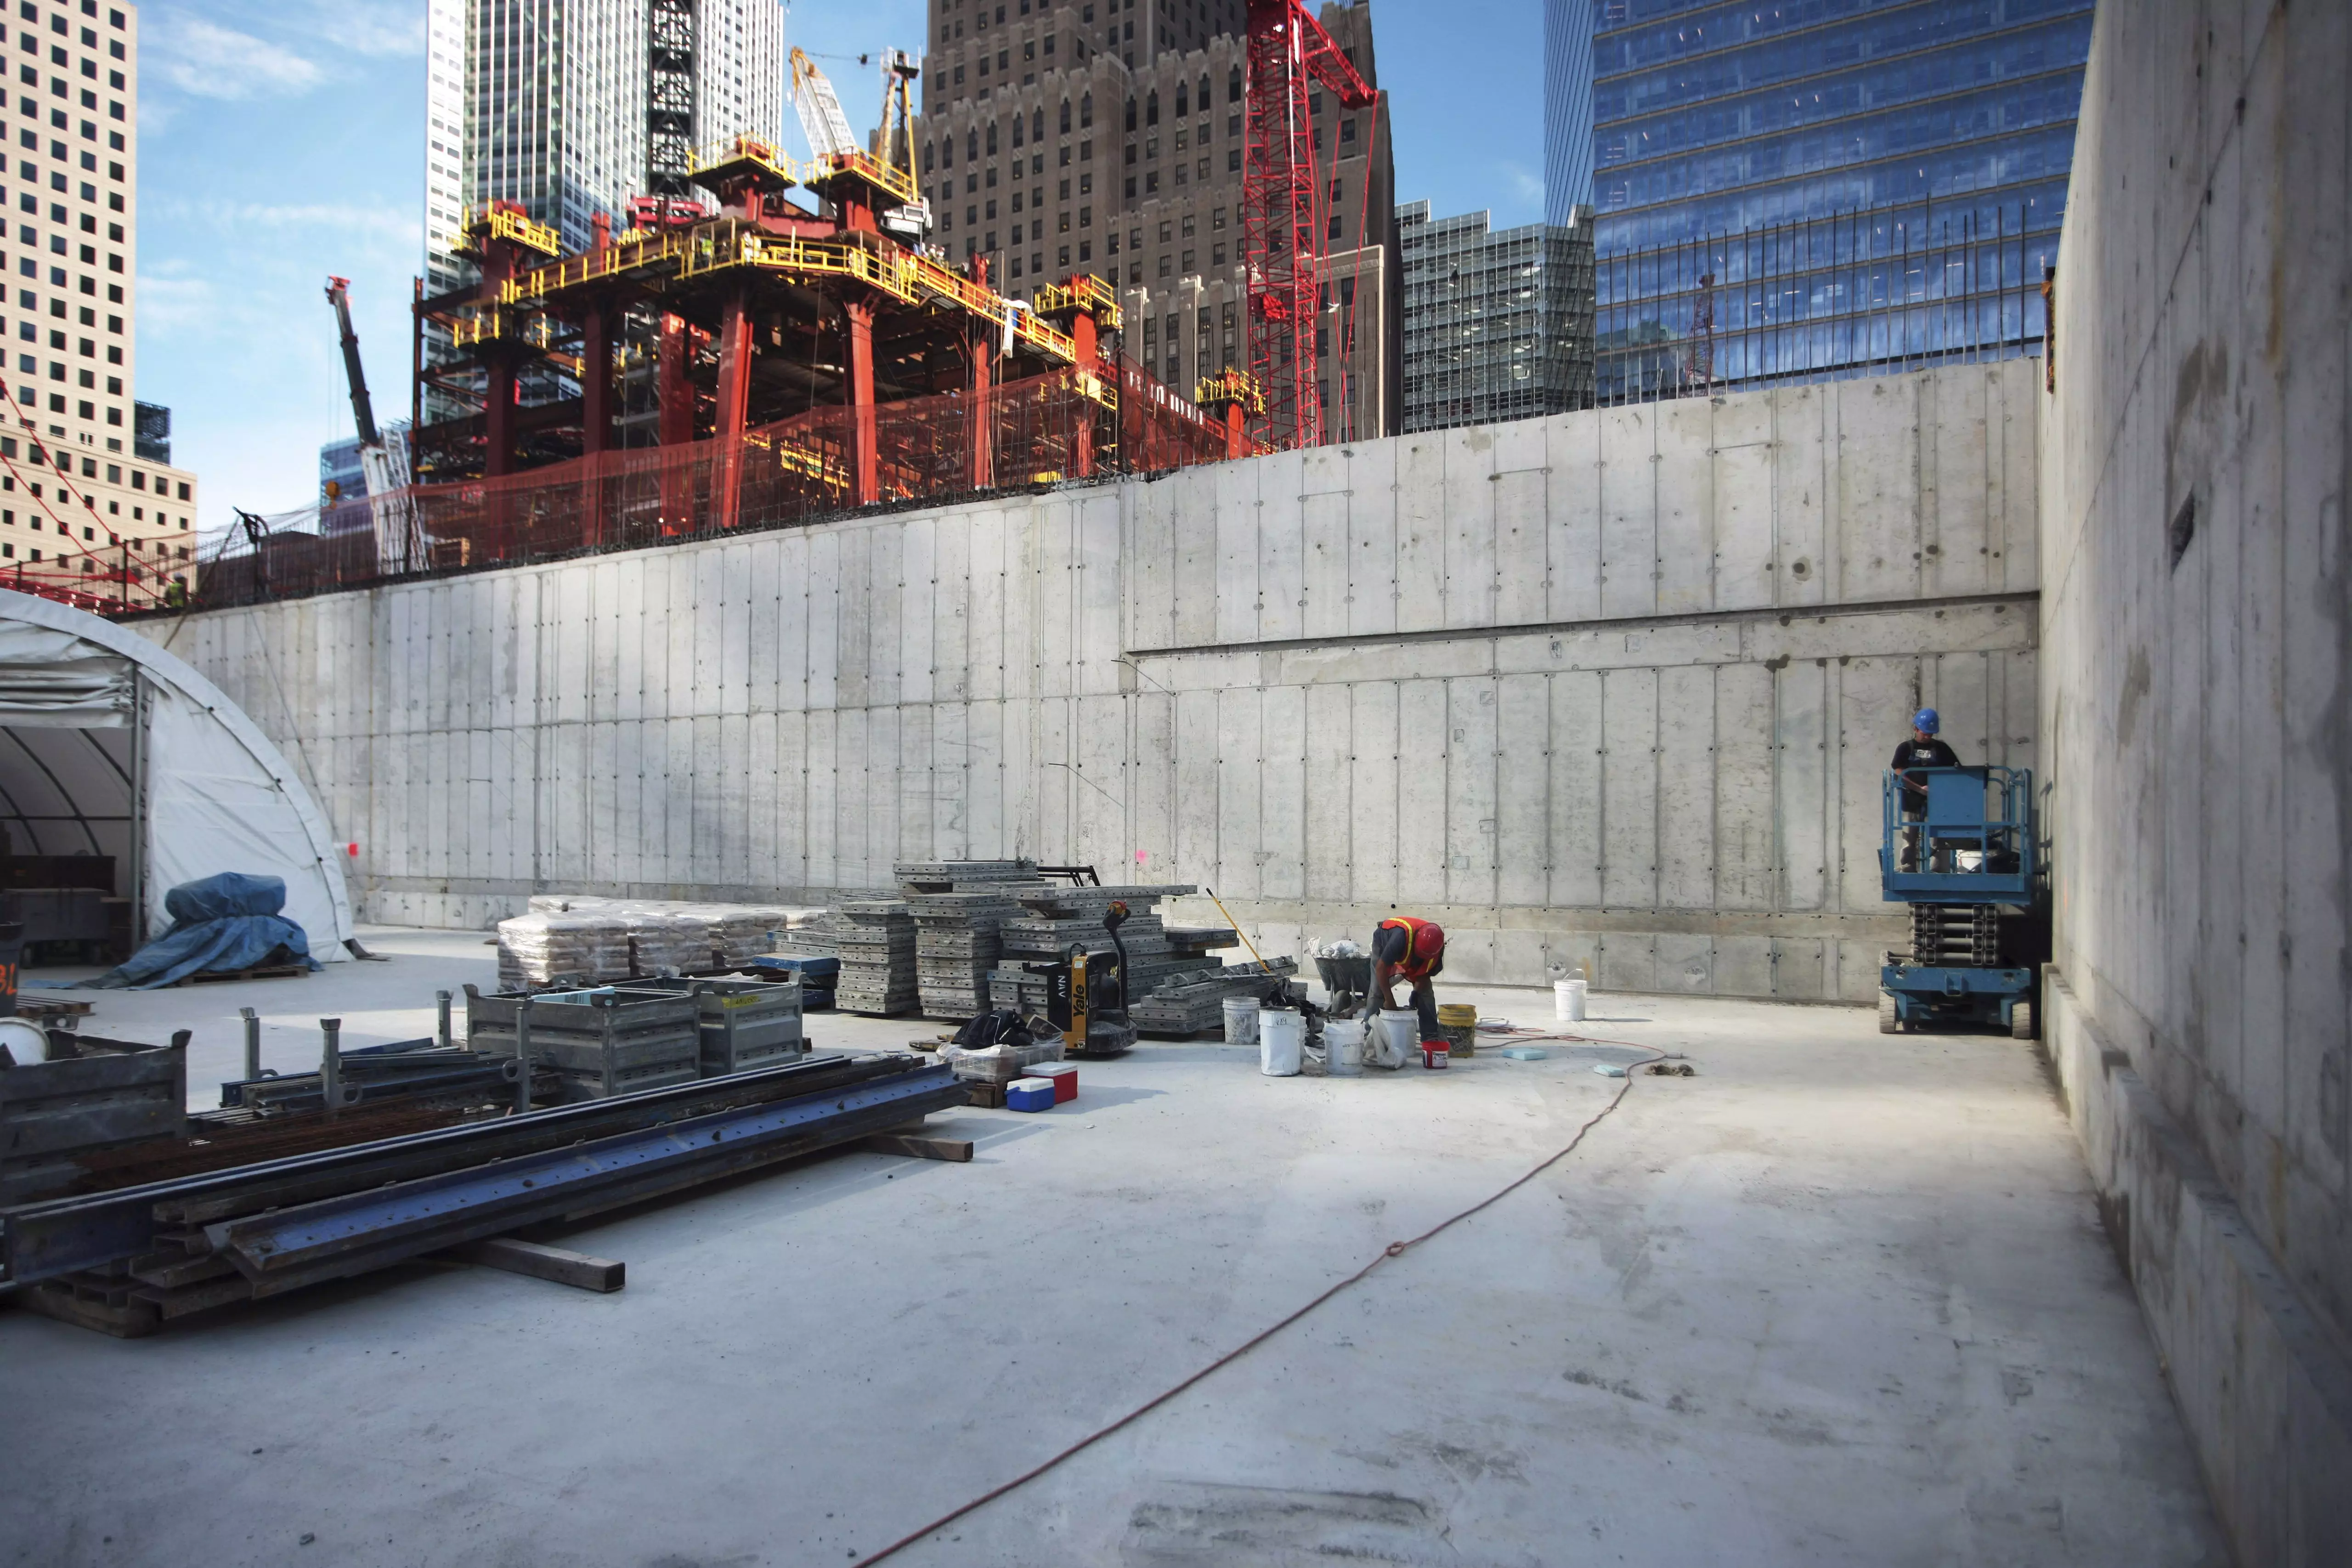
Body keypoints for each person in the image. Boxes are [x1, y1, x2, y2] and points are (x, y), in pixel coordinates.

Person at [1891, 708, 1960, 870]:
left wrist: (1939, 788)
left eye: (1931, 734)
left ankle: (1937, 872)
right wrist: (1919, 788)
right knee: (1909, 839)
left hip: (1936, 802)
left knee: (1937, 839)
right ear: (1916, 729)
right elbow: (1898, 771)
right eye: (1925, 733)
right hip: (1911, 801)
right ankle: (1907, 870)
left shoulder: (1942, 749)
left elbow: (1955, 770)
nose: (1928, 737)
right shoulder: (1905, 748)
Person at [1365, 915, 1446, 1042]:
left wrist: (1416, 994)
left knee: (1426, 992)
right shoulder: (1400, 938)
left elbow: (1426, 973)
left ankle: (1431, 1036)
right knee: (1377, 991)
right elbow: (1381, 969)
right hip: (1384, 938)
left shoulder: (1437, 945)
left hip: (1409, 950)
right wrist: (1389, 999)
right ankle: (1368, 1035)